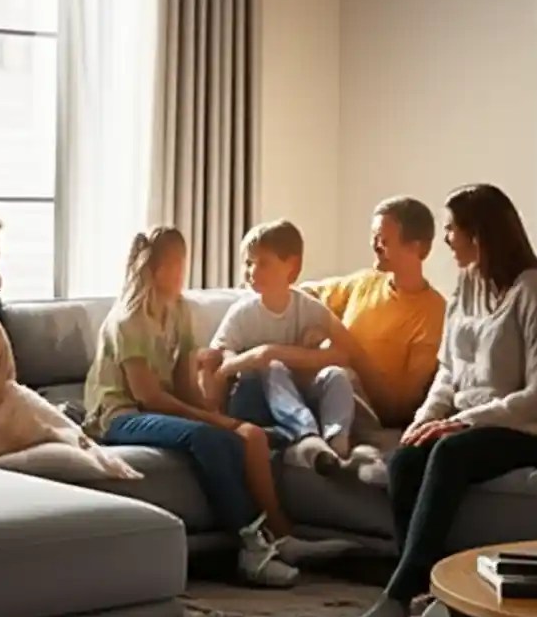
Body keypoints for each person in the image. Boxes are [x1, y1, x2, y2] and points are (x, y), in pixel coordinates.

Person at [347, 183, 537, 617]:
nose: (446, 239)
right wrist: (424, 421)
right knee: (405, 459)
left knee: (450, 452)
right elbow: (447, 372)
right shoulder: (466, 285)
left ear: (479, 233)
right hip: (468, 426)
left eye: (451, 228)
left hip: (530, 431)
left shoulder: (534, 292)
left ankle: (398, 594)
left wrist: (462, 422)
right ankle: (434, 590)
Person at [83, 225, 352, 588]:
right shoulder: (128, 320)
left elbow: (183, 386)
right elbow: (148, 397)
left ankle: (282, 535)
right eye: (174, 264)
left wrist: (222, 418)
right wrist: (215, 424)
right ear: (153, 269)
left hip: (157, 411)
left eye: (182, 262)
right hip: (121, 417)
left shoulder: (180, 312)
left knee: (246, 436)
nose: (181, 272)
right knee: (209, 438)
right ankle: (251, 549)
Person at [200, 220, 362, 476]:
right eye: (248, 263)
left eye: (263, 263)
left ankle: (336, 443)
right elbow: (220, 363)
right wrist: (262, 356)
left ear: (292, 267)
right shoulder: (243, 313)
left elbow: (345, 353)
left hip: (298, 395)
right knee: (272, 368)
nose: (252, 271)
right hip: (255, 401)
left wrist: (284, 353)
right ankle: (307, 436)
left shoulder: (308, 307)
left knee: (336, 375)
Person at [298, 196, 446, 429]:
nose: (374, 245)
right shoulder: (365, 282)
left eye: (383, 240)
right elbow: (306, 293)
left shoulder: (433, 312)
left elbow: (399, 408)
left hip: (365, 408)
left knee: (341, 376)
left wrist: (346, 344)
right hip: (321, 382)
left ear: (416, 247)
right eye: (374, 237)